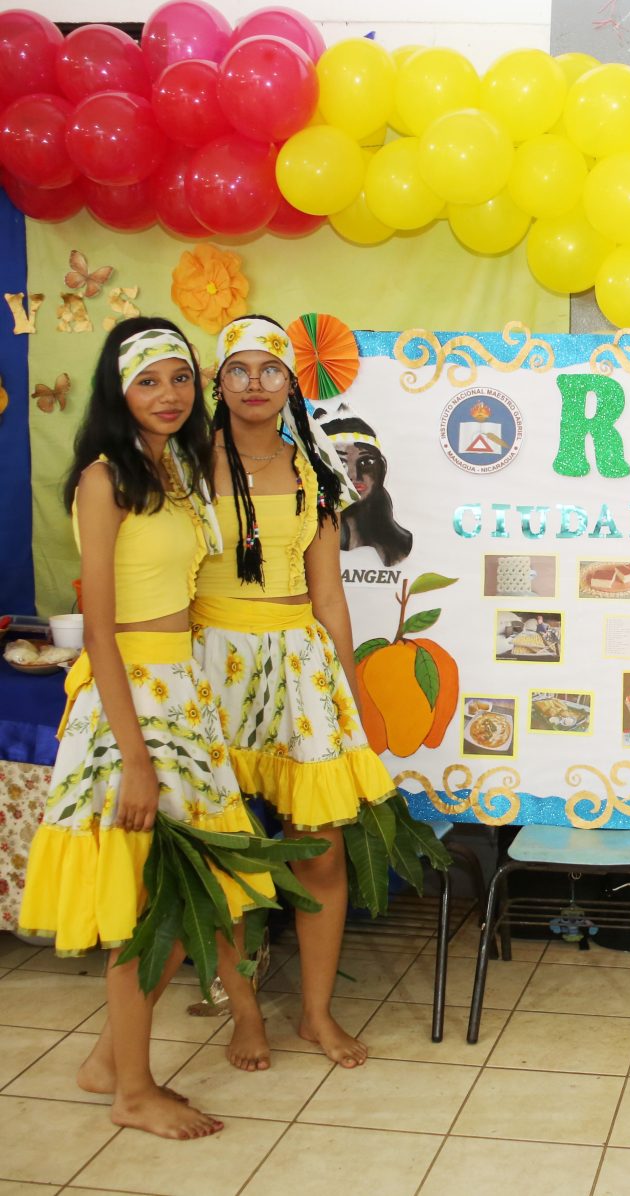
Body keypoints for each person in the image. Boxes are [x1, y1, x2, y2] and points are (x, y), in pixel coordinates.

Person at [18, 317, 277, 1138]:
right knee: (147, 907)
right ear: (118, 390)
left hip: (183, 697)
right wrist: (134, 757)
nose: (167, 396)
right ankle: (133, 1091)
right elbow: (98, 625)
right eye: (147, 381)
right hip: (129, 702)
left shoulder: (179, 470)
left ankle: (108, 1062)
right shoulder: (105, 478)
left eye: (177, 378)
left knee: (195, 896)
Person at [192, 315, 392, 1070]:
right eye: (237, 369)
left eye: (268, 369)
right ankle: (245, 1014)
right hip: (211, 666)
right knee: (226, 849)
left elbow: (330, 595)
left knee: (321, 851)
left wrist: (351, 694)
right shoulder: (182, 467)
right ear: (218, 381)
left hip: (298, 670)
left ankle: (315, 1013)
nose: (253, 383)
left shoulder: (314, 467)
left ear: (291, 383)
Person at [319, 411, 413, 567]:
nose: (353, 475)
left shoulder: (398, 545)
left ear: (381, 468)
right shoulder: (308, 541)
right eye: (340, 463)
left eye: (365, 462)